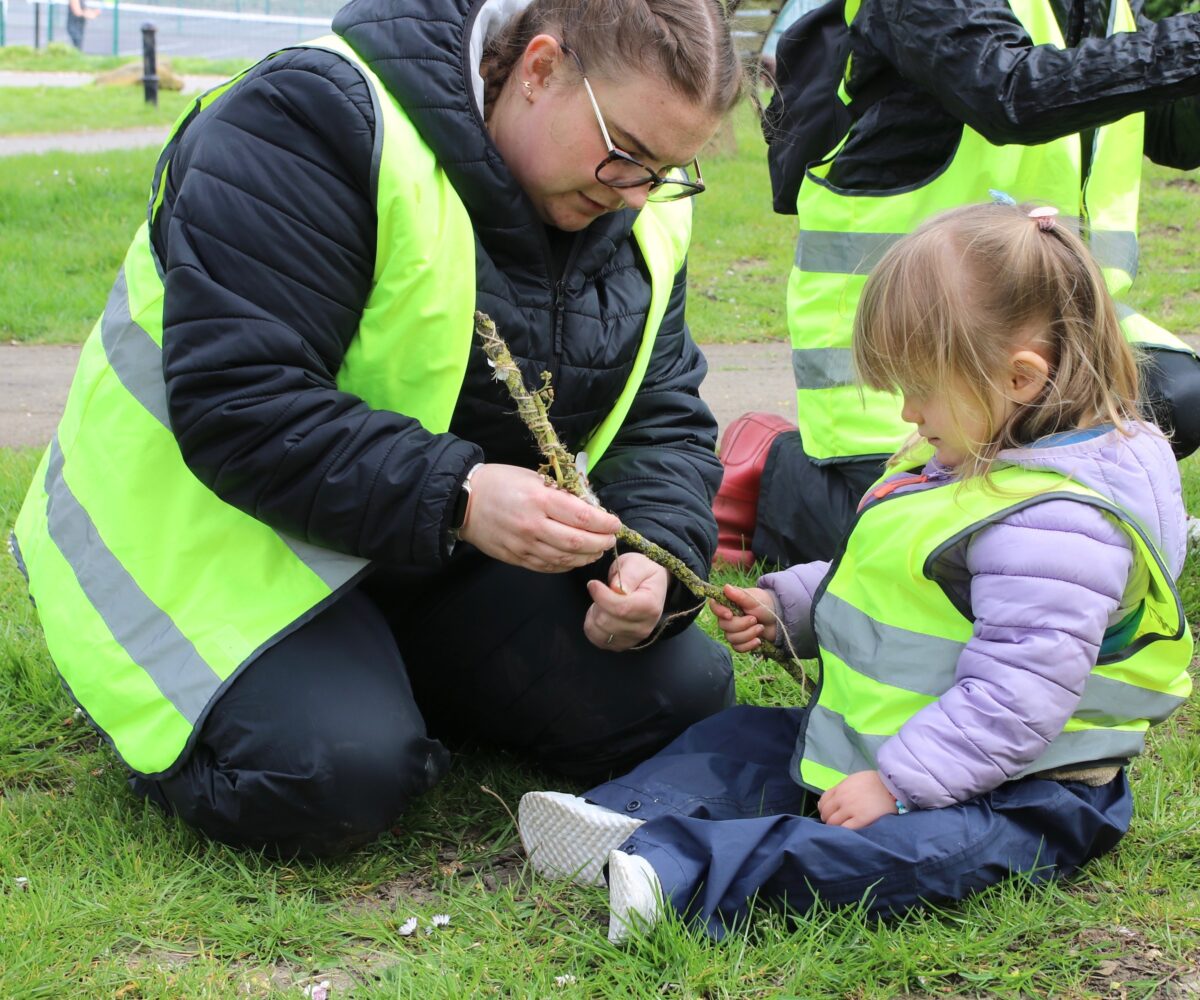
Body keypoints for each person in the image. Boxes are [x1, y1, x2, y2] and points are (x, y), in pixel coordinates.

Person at [9, 0, 745, 857]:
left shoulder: (638, 203)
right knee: (331, 777)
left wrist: (652, 562)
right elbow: (238, 404)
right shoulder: (312, 117)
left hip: (418, 541)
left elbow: (664, 419)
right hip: (213, 541)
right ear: (539, 69)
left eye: (669, 170)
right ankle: (287, 708)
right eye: (625, 154)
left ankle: (374, 683)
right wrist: (463, 495)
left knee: (679, 689)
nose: (640, 193)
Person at [518, 202, 1194, 943]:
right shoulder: (978, 448)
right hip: (913, 739)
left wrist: (896, 785)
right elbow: (891, 581)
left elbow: (1015, 700)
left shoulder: (1059, 525)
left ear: (1021, 378)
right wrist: (790, 608)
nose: (907, 411)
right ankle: (621, 816)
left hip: (1026, 790)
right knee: (747, 739)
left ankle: (683, 873)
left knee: (903, 857)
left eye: (921, 388)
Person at [713, 0, 1200, 568]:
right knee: (924, 553)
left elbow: (1176, 132)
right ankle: (773, 465)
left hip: (1042, 330)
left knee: (1178, 396)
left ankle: (1043, 493)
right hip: (905, 353)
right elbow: (1013, 94)